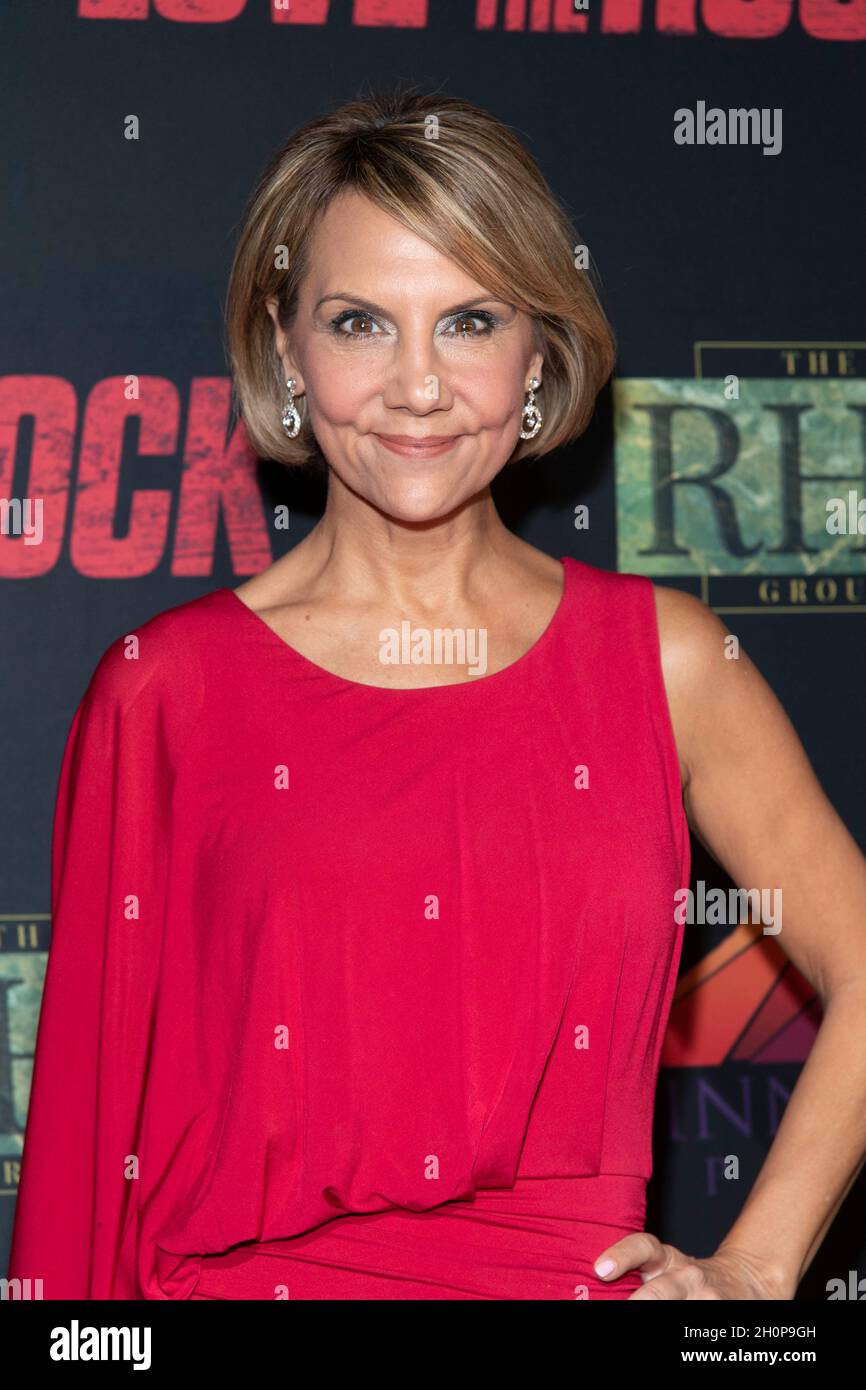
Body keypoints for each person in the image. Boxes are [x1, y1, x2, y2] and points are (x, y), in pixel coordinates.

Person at [8, 85, 866, 1302]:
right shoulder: (167, 690)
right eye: (359, 322)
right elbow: (89, 1143)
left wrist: (756, 1265)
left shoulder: (662, 663)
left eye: (467, 321)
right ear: (285, 344)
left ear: (536, 351)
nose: (418, 386)